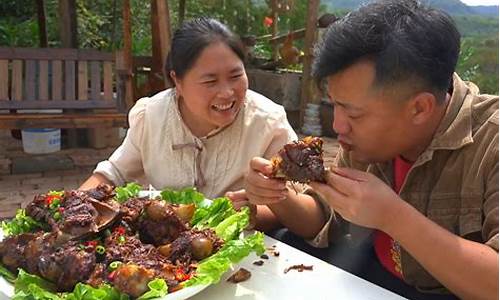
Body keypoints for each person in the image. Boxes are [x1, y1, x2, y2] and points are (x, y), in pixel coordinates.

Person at [243, 0, 499, 299]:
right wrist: (277, 196)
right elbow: (325, 218)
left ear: (419, 108)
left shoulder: (490, 140)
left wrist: (393, 216)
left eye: (354, 114)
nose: (339, 126)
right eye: (335, 104)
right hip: (370, 276)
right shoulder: (362, 142)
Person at [79, 17, 297, 228]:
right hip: (165, 250)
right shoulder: (153, 115)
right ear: (177, 81)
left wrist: (251, 214)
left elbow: (298, 207)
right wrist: (72, 209)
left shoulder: (268, 123)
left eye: (235, 76)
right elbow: (113, 174)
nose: (227, 93)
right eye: (210, 81)